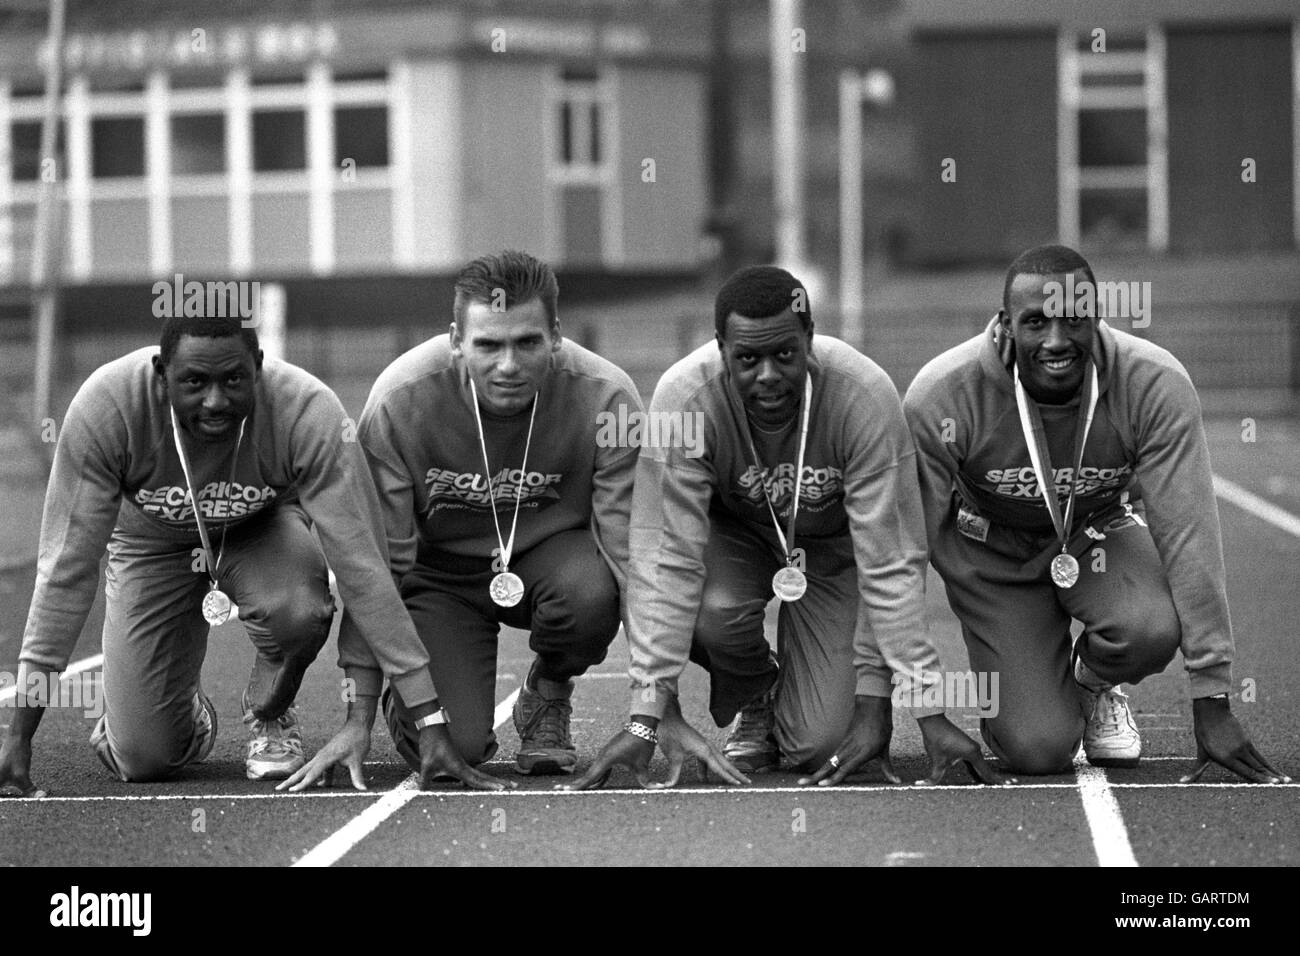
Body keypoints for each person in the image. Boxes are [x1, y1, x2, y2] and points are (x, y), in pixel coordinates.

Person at [0, 312, 504, 796]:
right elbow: (65, 573)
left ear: (258, 366)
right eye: (194, 382)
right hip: (150, 544)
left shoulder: (307, 412)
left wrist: (428, 720)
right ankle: (180, 711)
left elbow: (363, 569)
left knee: (301, 610)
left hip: (259, 529)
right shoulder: (106, 409)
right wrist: (18, 738)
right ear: (161, 374)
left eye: (234, 381)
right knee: (144, 760)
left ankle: (271, 709)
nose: (216, 401)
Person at [569, 265, 1008, 790]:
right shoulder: (684, 399)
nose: (769, 374)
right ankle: (757, 692)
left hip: (832, 551)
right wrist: (647, 715)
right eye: (747, 359)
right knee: (714, 612)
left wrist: (914, 706)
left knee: (818, 746)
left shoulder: (863, 395)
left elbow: (890, 561)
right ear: (721, 347)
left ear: (810, 339)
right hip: (735, 544)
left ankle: (796, 702)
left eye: (785, 354)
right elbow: (666, 560)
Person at [902, 243, 1289, 782]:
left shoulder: (1152, 382)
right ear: (1005, 325)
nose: (1057, 341)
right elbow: (899, 552)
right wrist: (920, 705)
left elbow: (1189, 533)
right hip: (992, 553)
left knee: (1151, 627)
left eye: (1074, 320)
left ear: (1097, 318)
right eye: (1035, 322)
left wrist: (1212, 695)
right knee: (1038, 751)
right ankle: (1025, 695)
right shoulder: (943, 394)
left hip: (1095, 535)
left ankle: (1094, 683)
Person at [286, 250, 640, 786]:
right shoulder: (400, 400)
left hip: (551, 563)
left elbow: (628, 554)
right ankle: (410, 696)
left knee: (590, 593)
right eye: (488, 345)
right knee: (461, 748)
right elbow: (374, 564)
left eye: (527, 342)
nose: (508, 365)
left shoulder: (608, 397)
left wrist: (655, 714)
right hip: (438, 577)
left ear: (556, 335)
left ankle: (547, 692)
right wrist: (356, 716)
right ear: (456, 340)